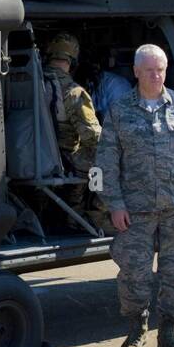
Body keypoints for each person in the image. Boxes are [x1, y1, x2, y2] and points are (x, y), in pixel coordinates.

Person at [94, 44, 174, 347]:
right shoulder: (119, 111)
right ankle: (136, 329)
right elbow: (104, 163)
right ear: (137, 72)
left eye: (161, 69)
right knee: (133, 275)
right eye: (150, 70)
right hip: (135, 212)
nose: (156, 76)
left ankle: (168, 335)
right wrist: (114, 203)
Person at [43, 33, 102, 224]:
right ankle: (93, 215)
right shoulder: (73, 92)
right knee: (111, 156)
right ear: (73, 60)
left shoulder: (31, 84)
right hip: (64, 159)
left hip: (36, 158)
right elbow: (92, 136)